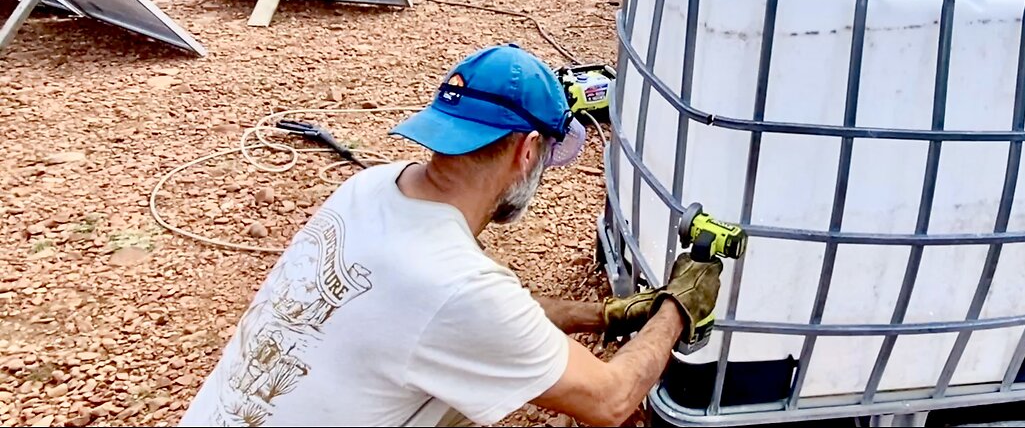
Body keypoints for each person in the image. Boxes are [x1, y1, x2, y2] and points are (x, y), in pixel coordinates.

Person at [180, 44, 722, 427]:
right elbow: (609, 400)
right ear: (526, 151)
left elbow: (471, 315)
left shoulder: (369, 188)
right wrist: (679, 305)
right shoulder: (458, 288)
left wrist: (602, 315)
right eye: (545, 161)